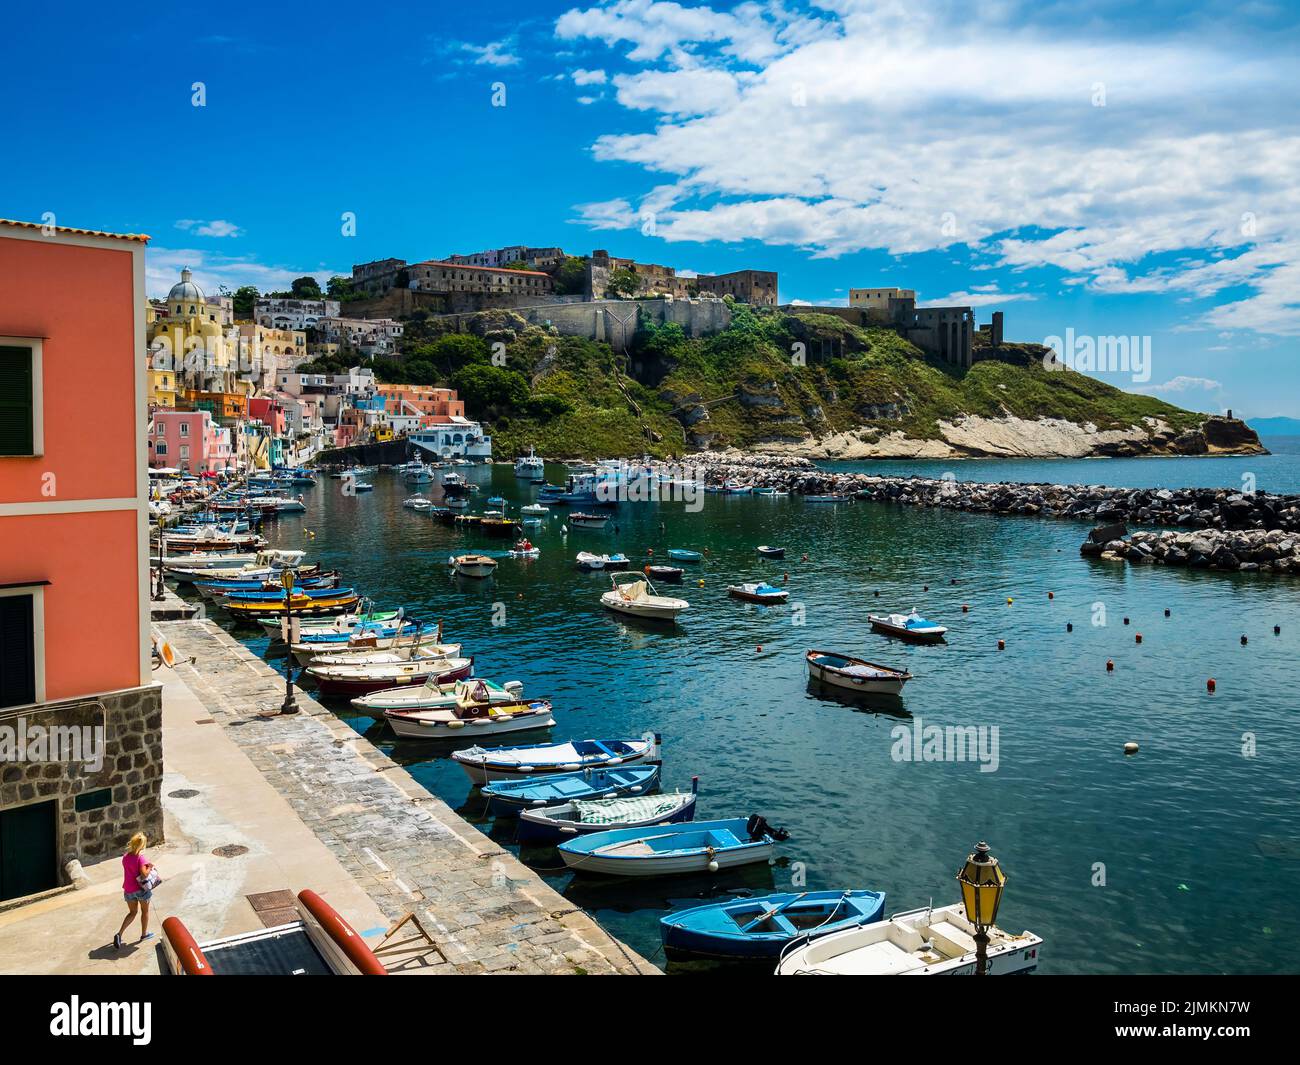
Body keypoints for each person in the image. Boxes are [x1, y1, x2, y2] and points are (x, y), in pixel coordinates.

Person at [115, 833, 157, 949]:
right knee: (145, 912)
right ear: (142, 845)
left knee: (132, 913)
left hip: (128, 889)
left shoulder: (125, 857)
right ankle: (144, 934)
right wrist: (150, 867)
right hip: (141, 890)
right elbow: (144, 875)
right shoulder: (141, 858)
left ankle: (119, 934)